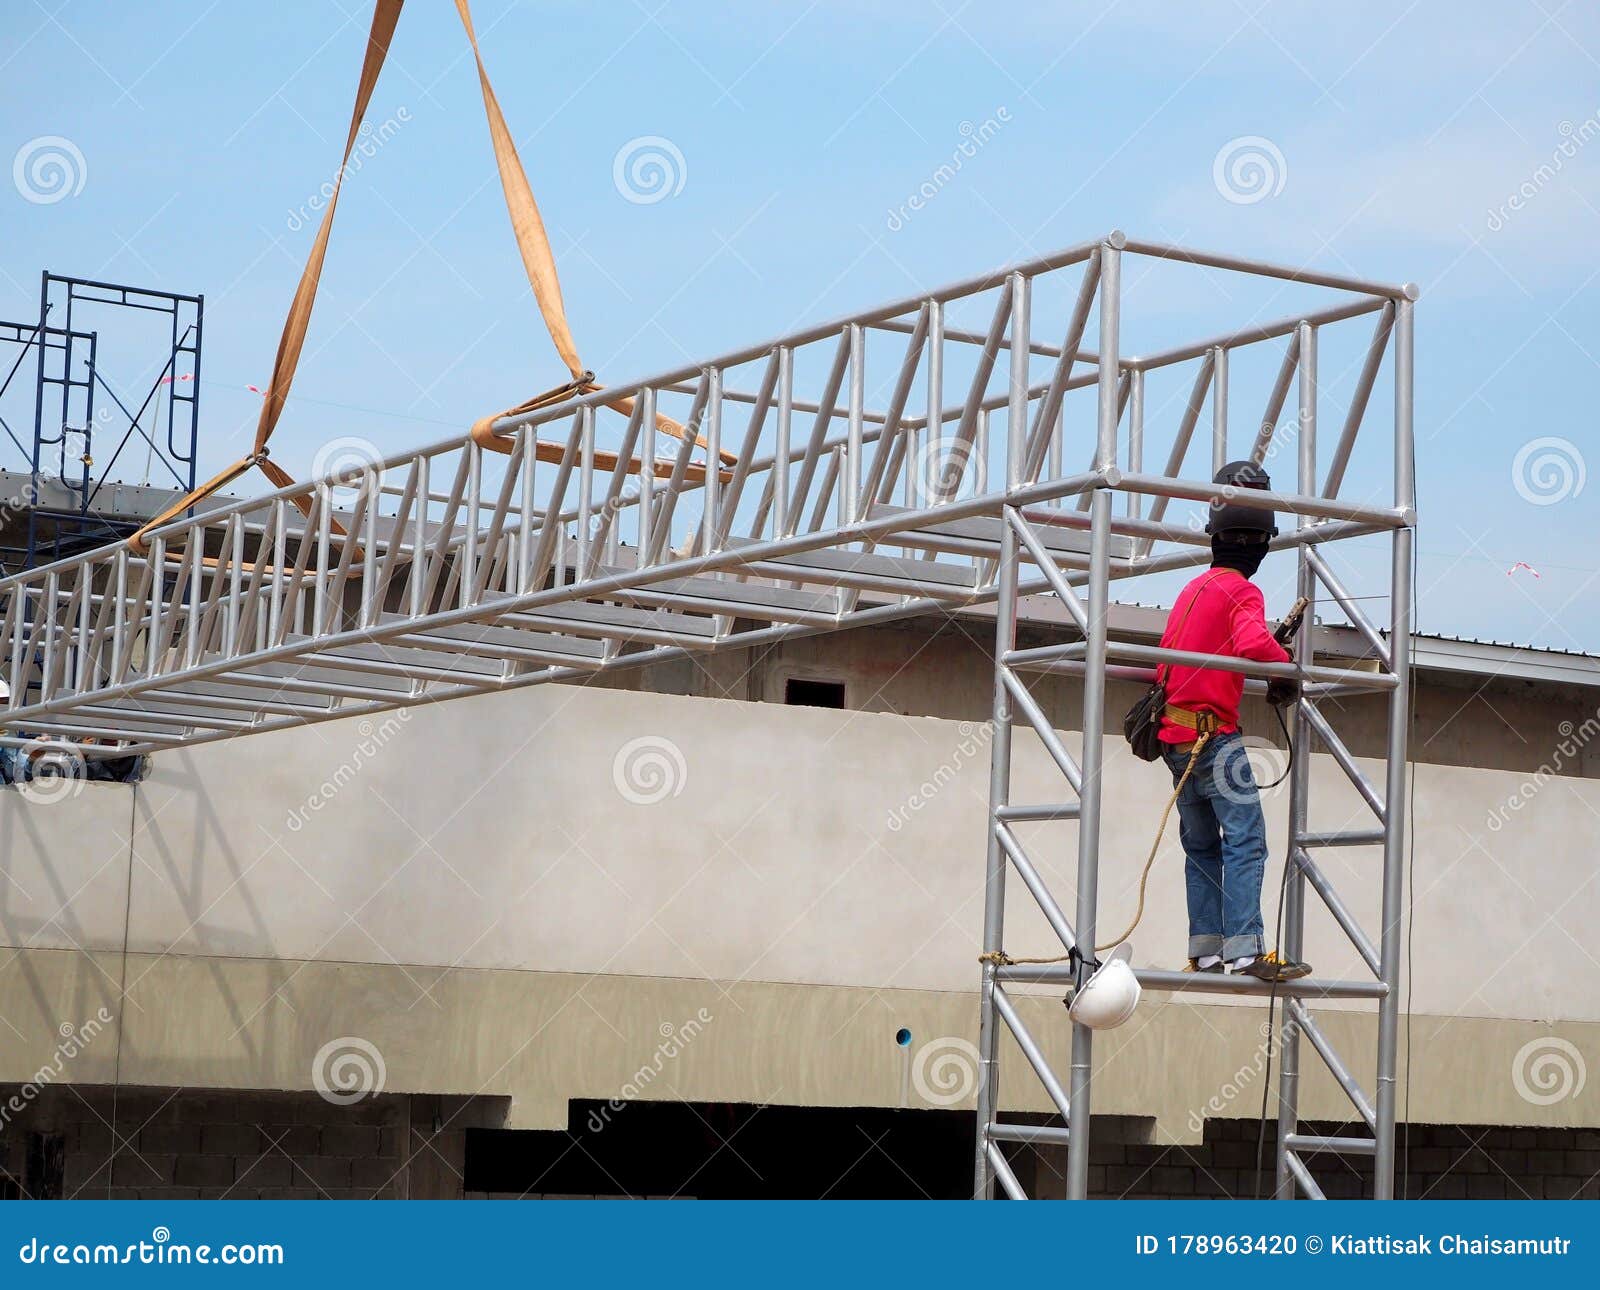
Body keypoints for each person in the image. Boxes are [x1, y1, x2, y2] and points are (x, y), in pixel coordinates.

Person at [1157, 461, 1310, 983]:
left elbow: (1166, 660)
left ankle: (1205, 951)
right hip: (1214, 740)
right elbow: (1248, 642)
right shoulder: (1241, 591)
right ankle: (1245, 950)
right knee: (1245, 840)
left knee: (1201, 845)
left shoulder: (1191, 590)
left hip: (1175, 740)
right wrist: (1286, 666)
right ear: (1260, 544)